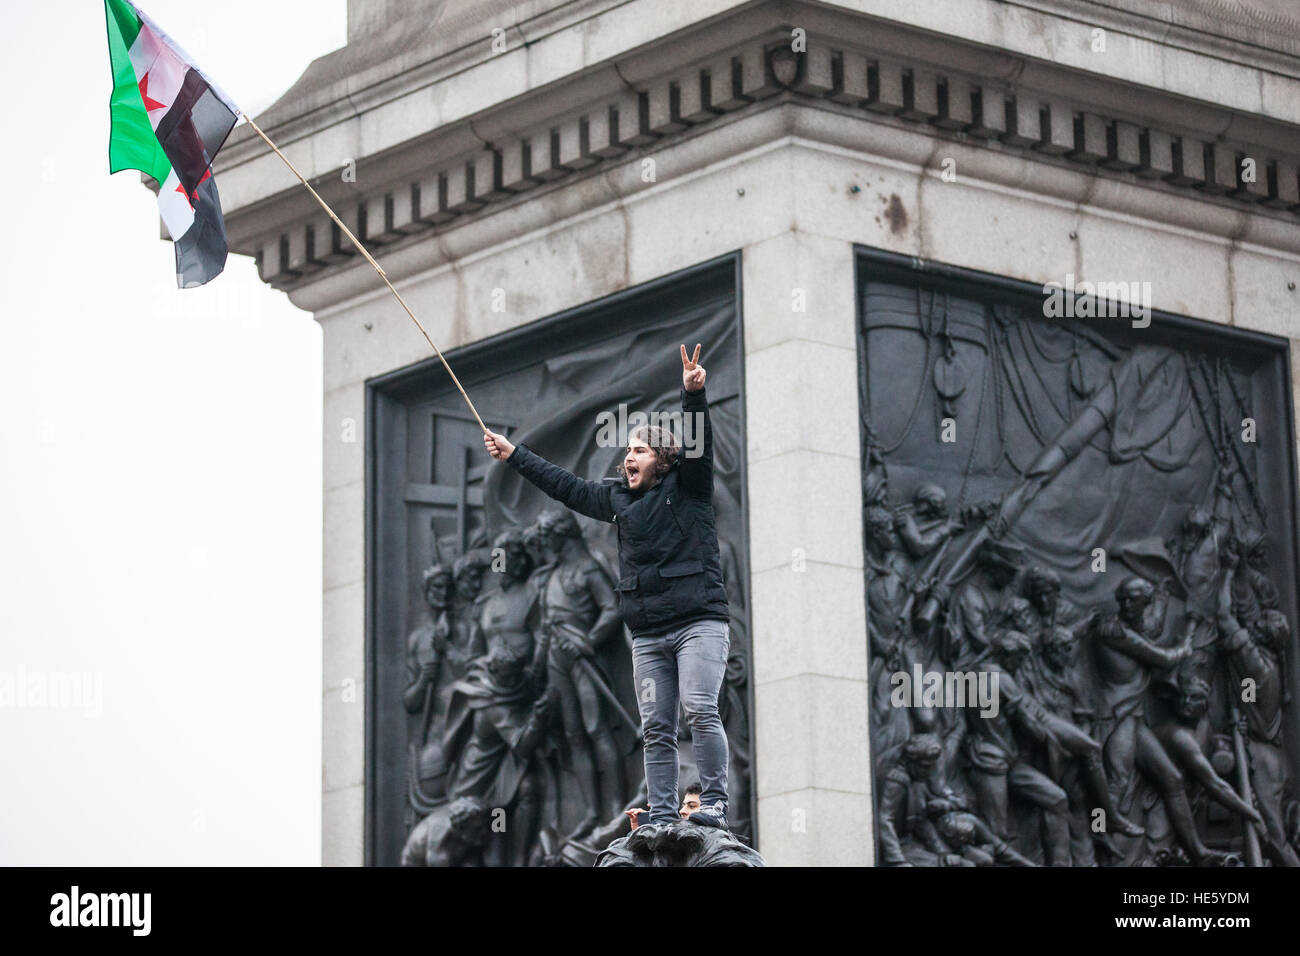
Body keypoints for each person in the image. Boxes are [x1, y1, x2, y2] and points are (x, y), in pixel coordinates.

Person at [483, 344, 732, 830]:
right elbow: (563, 485)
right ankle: (661, 814)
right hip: (648, 633)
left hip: (698, 622)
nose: (628, 457)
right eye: (627, 451)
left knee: (700, 708)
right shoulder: (617, 498)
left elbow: (700, 446)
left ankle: (715, 800)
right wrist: (515, 455)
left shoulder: (690, 486)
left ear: (662, 459)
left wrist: (693, 394)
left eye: (639, 450)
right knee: (656, 729)